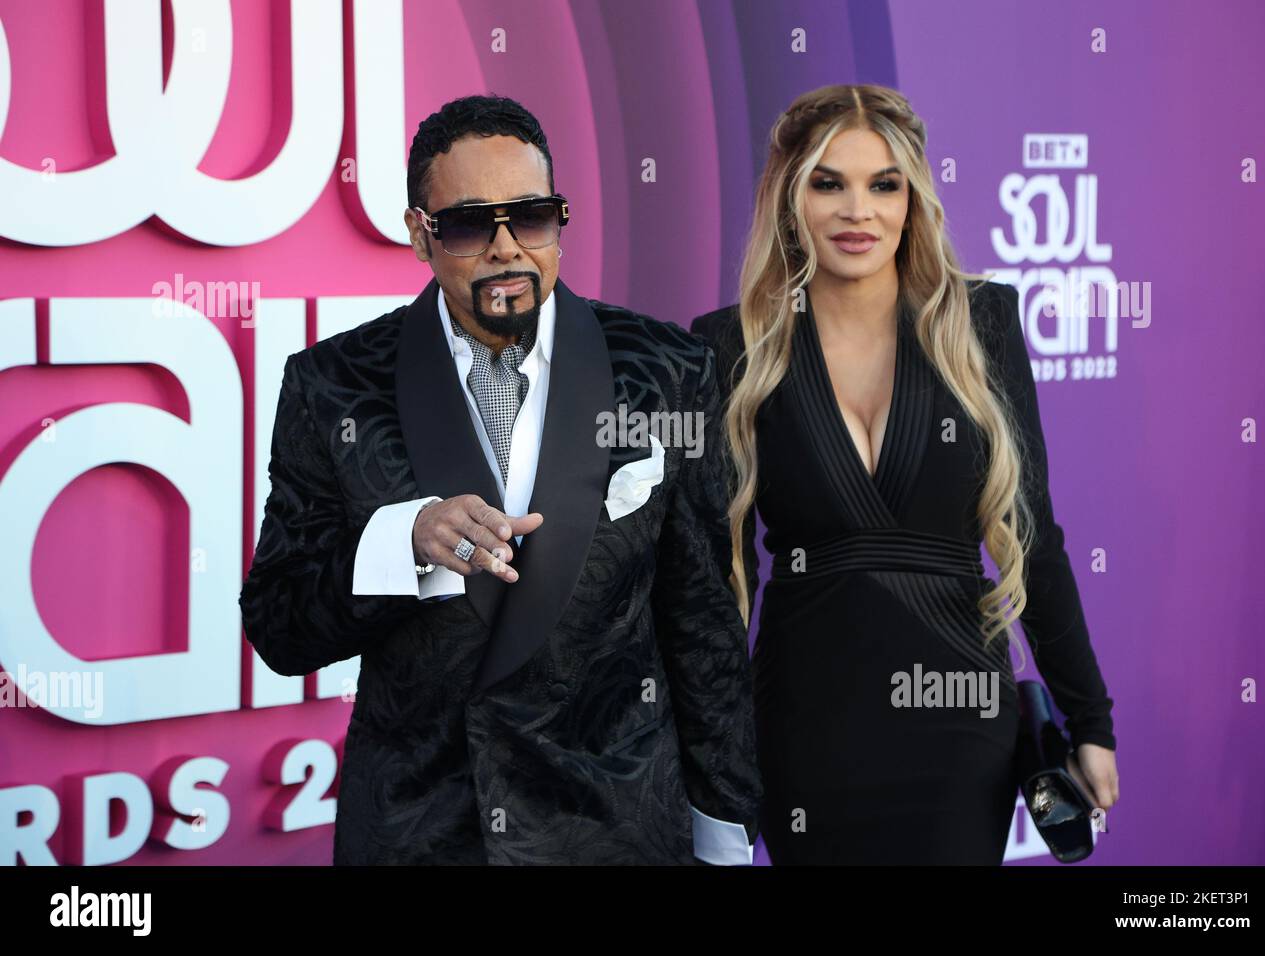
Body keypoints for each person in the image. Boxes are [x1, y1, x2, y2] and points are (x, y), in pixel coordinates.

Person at [240, 94, 761, 864]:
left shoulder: (667, 370)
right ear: (420, 235)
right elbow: (280, 625)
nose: (506, 247)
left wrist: (722, 826)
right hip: (425, 831)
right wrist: (402, 544)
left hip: (613, 824)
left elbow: (701, 618)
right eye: (468, 224)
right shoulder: (334, 383)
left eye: (533, 218)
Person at [691, 84, 1118, 864]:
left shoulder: (979, 324)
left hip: (959, 723)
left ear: (913, 198)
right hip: (804, 724)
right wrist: (712, 757)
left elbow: (1034, 536)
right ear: (790, 198)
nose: (860, 210)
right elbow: (718, 583)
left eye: (884, 184)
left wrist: (1090, 723)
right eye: (830, 183)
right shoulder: (733, 346)